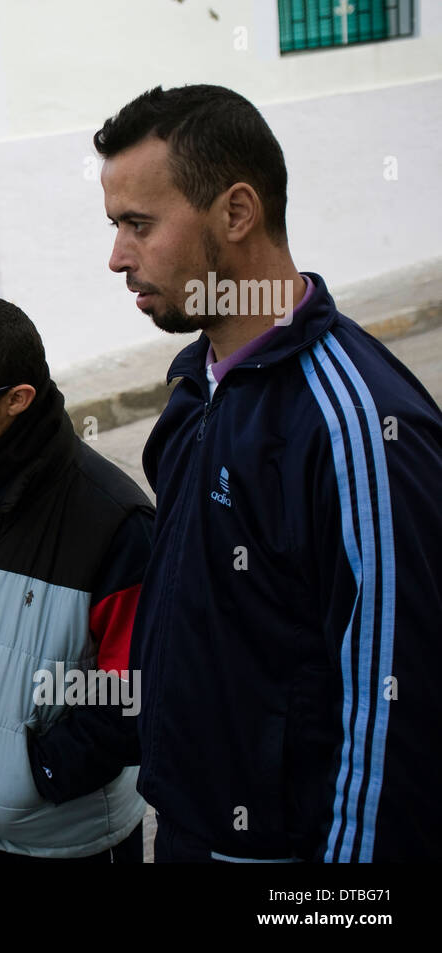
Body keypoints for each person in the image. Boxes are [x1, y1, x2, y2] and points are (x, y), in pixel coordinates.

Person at [96, 84, 442, 861]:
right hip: (186, 832)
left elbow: (397, 717)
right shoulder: (196, 385)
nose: (117, 256)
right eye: (115, 225)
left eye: (138, 225)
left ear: (237, 212)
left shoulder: (356, 425)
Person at [0, 296, 155, 862]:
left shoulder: (114, 520)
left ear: (17, 400)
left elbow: (136, 693)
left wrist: (38, 770)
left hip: (70, 841)